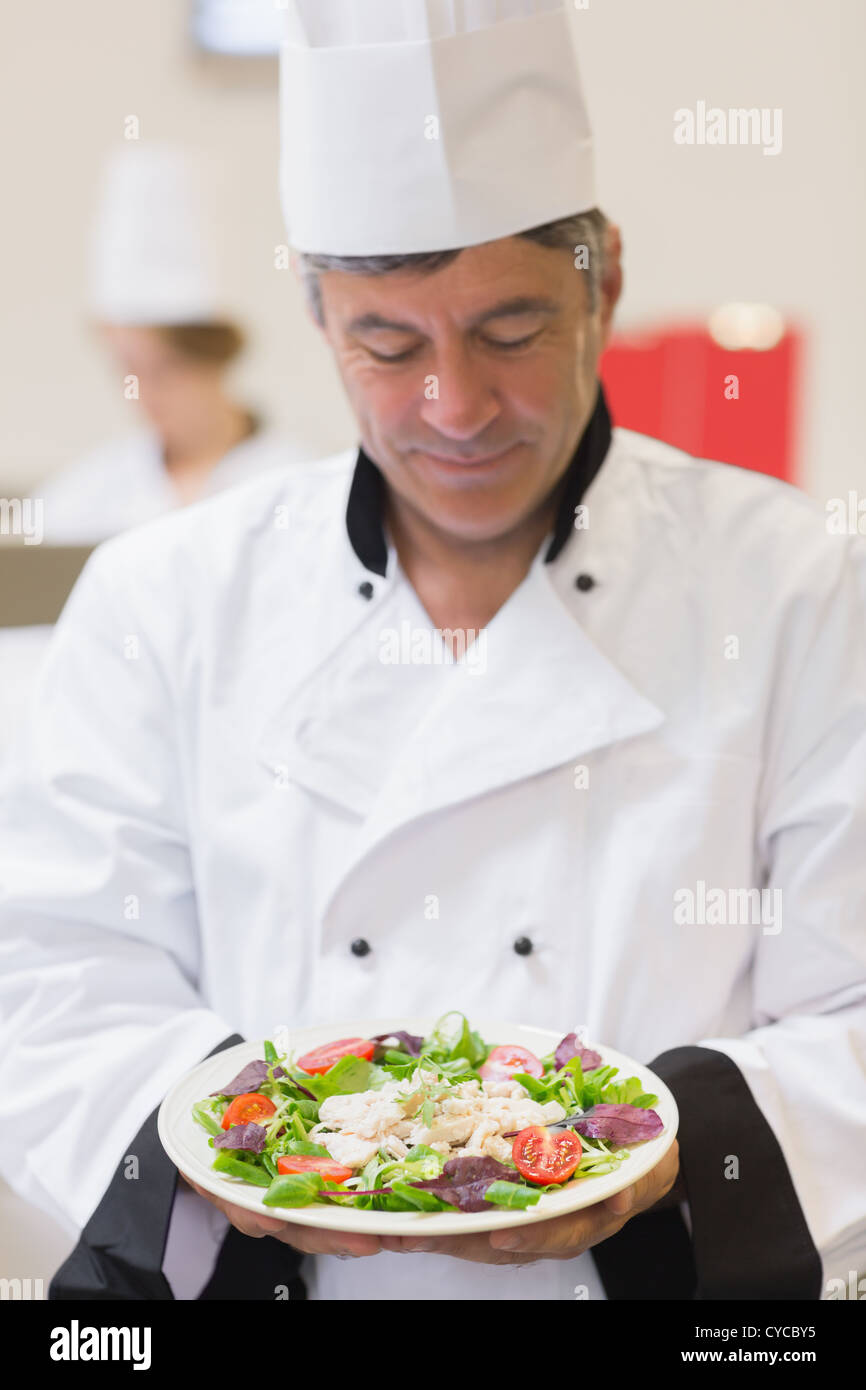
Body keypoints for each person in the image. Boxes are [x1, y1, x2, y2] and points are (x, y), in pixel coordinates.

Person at [0, 0, 864, 1302]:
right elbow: (48, 971)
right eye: (387, 342)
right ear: (315, 314)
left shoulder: (798, 582)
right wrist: (266, 1135)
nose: (452, 407)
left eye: (509, 331)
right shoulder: (163, 594)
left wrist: (655, 1152)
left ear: (604, 277)